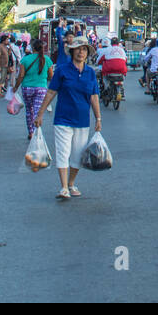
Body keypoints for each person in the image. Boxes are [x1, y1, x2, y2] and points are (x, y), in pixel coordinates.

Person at [35, 36, 102, 200]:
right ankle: (64, 187)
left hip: (82, 121)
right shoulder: (62, 70)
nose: (81, 52)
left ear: (87, 53)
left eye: (84, 49)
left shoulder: (90, 73)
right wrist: (40, 113)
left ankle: (71, 183)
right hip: (63, 119)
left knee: (78, 155)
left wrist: (98, 118)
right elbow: (51, 92)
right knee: (63, 152)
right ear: (72, 52)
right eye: (78, 49)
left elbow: (94, 96)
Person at [14, 40, 53, 139]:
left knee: (29, 111)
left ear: (33, 48)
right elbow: (51, 76)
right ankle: (36, 132)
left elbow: (21, 76)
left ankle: (31, 132)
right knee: (37, 111)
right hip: (41, 88)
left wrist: (15, 87)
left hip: (27, 88)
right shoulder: (47, 60)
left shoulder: (25, 59)